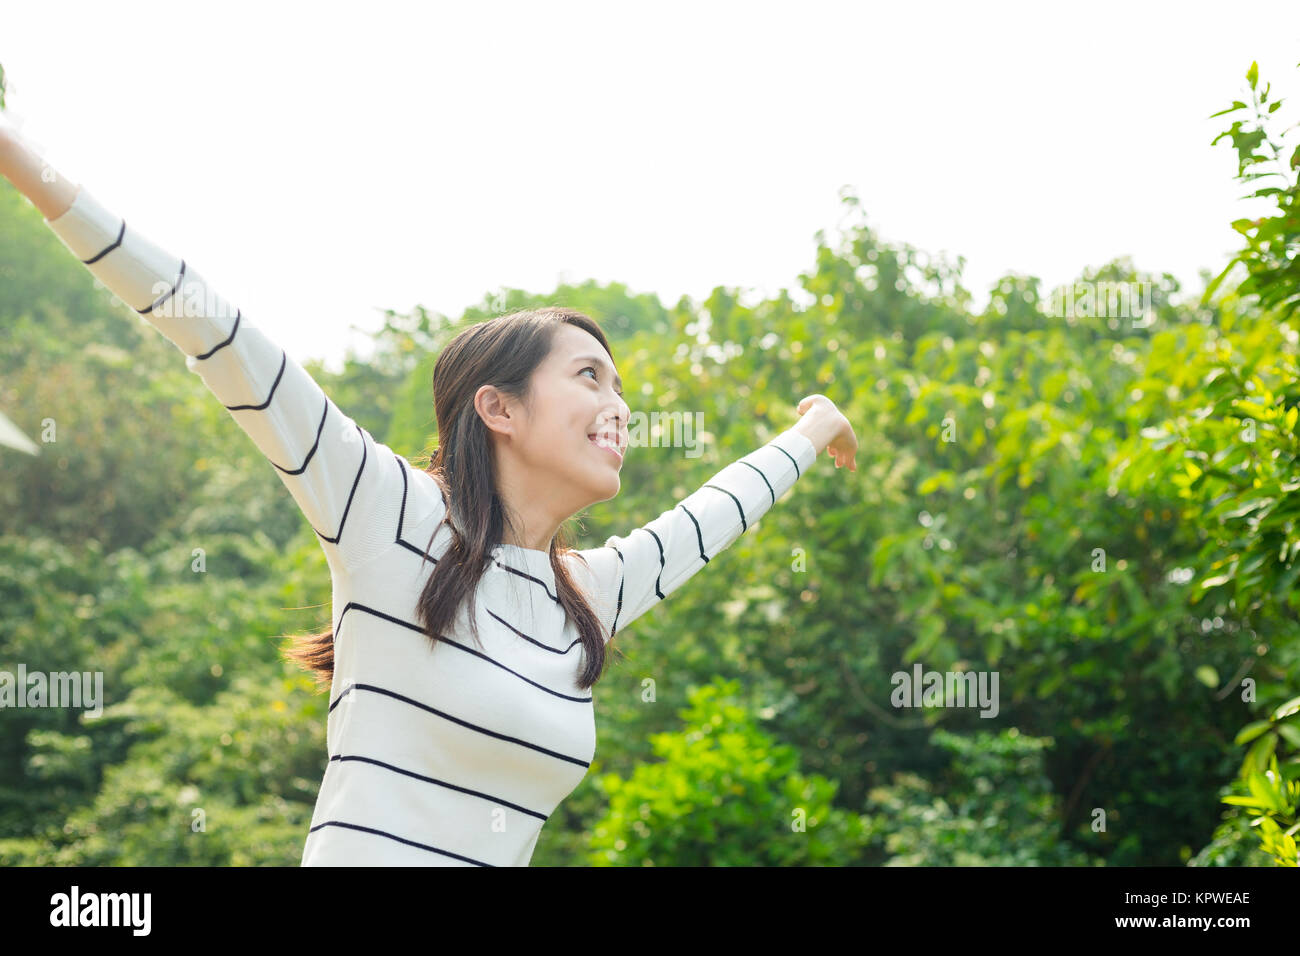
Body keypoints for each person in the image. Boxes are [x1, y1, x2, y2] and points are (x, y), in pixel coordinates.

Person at [0, 117, 859, 866]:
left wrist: (813, 431)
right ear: (498, 408)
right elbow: (221, 335)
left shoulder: (589, 597)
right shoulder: (387, 513)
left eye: (621, 389)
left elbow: (712, 518)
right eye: (591, 378)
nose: (619, 409)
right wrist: (19, 159)